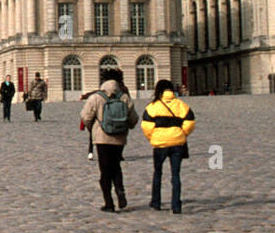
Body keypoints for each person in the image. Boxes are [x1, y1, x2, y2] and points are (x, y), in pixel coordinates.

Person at [80, 77, 138, 212]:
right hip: (119, 138)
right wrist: (125, 127)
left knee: (105, 170)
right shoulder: (124, 97)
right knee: (116, 166)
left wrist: (93, 128)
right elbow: (133, 119)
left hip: (102, 138)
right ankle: (120, 190)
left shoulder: (96, 97)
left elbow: (86, 116)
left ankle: (109, 203)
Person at [140, 79, 196, 215]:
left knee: (157, 173)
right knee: (175, 175)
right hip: (177, 143)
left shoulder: (153, 106)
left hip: (160, 144)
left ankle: (156, 202)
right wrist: (182, 134)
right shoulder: (181, 105)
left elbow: (146, 126)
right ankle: (176, 205)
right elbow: (190, 122)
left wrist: (152, 137)